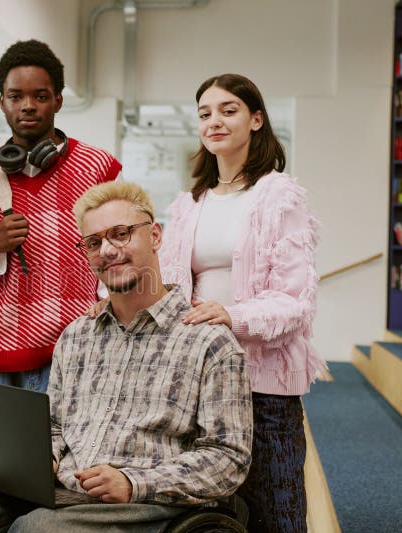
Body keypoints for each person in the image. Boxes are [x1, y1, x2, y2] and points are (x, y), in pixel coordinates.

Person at [0, 181, 252, 532]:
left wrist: (133, 483)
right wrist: (39, 460)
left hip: (147, 503)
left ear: (155, 236)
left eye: (122, 234)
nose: (108, 250)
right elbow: (54, 426)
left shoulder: (209, 342)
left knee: (38, 530)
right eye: (94, 242)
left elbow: (227, 458)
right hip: (64, 490)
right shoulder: (77, 336)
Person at [158, 73, 325, 533]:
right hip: (203, 377)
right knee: (215, 512)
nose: (214, 121)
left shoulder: (278, 195)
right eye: (205, 113)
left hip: (263, 380)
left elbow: (295, 301)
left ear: (255, 120)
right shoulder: (189, 203)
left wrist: (232, 315)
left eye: (228, 110)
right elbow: (169, 285)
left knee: (276, 506)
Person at [0, 39, 122, 392]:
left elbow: (122, 249)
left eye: (40, 96)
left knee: (68, 448)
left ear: (58, 99)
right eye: (16, 97)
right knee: (4, 448)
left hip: (77, 344)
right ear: (2, 102)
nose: (28, 106)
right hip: (0, 346)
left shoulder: (96, 167)